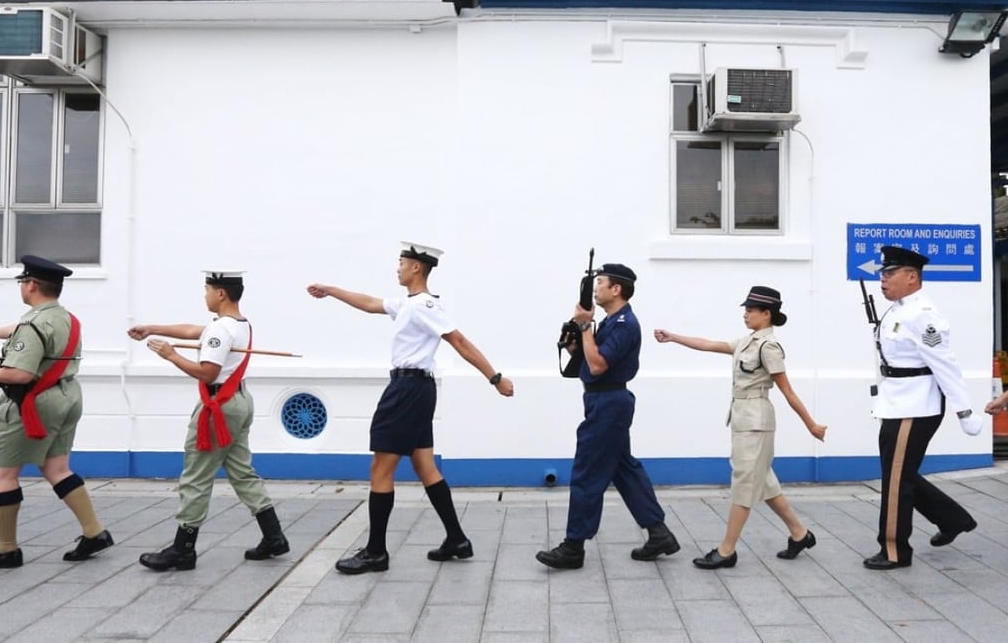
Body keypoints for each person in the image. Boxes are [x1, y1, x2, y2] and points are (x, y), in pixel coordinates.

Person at [307, 241, 514, 574]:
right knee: (424, 466)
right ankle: (457, 539)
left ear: (417, 268)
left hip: (407, 390)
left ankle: (376, 552)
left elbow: (458, 341)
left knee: (380, 469)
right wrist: (331, 290)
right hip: (413, 389)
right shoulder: (407, 304)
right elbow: (370, 302)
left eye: (401, 262)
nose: (398, 267)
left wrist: (495, 378)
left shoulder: (425, 306)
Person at [0, 255, 113, 569]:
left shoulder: (33, 324)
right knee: (57, 469)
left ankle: (6, 549)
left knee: (3, 475)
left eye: (23, 282)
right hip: (67, 396)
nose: (22, 288)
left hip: (35, 404)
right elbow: (26, 329)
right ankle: (94, 532)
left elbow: (20, 375)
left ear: (32, 286)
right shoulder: (65, 317)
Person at [652, 286, 827, 570]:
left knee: (743, 485)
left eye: (751, 310)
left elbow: (787, 391)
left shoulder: (768, 347)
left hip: (757, 422)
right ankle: (800, 534)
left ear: (766, 314)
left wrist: (811, 425)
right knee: (765, 483)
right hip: (743, 418)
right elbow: (710, 344)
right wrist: (673, 337)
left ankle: (726, 550)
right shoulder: (748, 342)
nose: (745, 314)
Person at [129, 270, 289, 572]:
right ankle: (274, 535)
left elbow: (207, 372)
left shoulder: (220, 331)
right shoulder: (238, 324)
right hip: (239, 402)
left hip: (219, 408)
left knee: (196, 476)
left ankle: (183, 548)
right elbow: (194, 331)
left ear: (220, 294)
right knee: (242, 472)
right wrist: (151, 328)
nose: (204, 295)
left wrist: (170, 355)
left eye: (206, 289)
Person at [536, 263, 681, 570]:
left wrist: (586, 327)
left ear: (617, 289)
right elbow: (591, 360)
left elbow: (600, 366)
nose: (596, 287)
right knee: (624, 469)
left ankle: (574, 547)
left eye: (600, 282)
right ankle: (659, 533)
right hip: (605, 401)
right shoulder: (612, 320)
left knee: (587, 472)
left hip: (608, 403)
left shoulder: (625, 323)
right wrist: (577, 344)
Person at [861, 246, 982, 570]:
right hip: (896, 401)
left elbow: (945, 365)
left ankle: (894, 550)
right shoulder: (898, 310)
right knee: (900, 473)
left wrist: (964, 412)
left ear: (912, 277)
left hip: (916, 406)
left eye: (890, 274)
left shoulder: (923, 315)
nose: (883, 280)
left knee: (897, 480)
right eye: (882, 274)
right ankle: (953, 519)